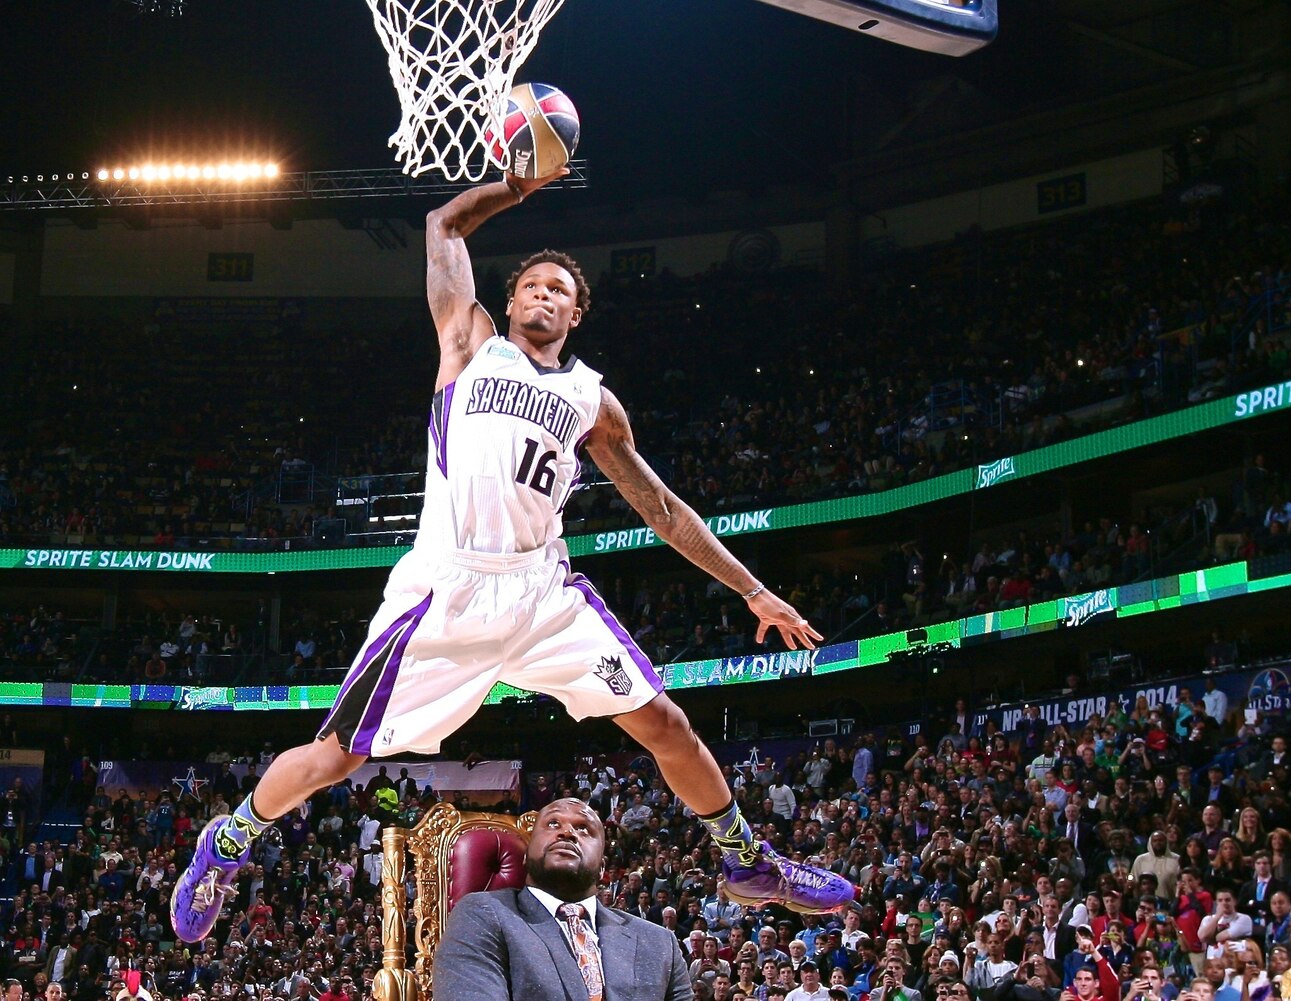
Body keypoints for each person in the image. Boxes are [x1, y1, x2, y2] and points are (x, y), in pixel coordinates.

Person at [168, 169, 851, 941]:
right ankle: (225, 843)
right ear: (511, 297)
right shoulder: (469, 343)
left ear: (576, 310)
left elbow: (661, 509)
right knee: (335, 756)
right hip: (445, 592)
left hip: (539, 592)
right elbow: (444, 227)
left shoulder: (593, 398)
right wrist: (518, 184)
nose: (542, 294)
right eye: (530, 283)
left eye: (558, 288)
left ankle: (745, 859)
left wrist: (753, 590)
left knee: (667, 722)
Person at [431, 797, 691, 1001]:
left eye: (583, 828)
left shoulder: (658, 942)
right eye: (553, 824)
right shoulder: (483, 914)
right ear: (525, 857)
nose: (567, 832)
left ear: (602, 867)